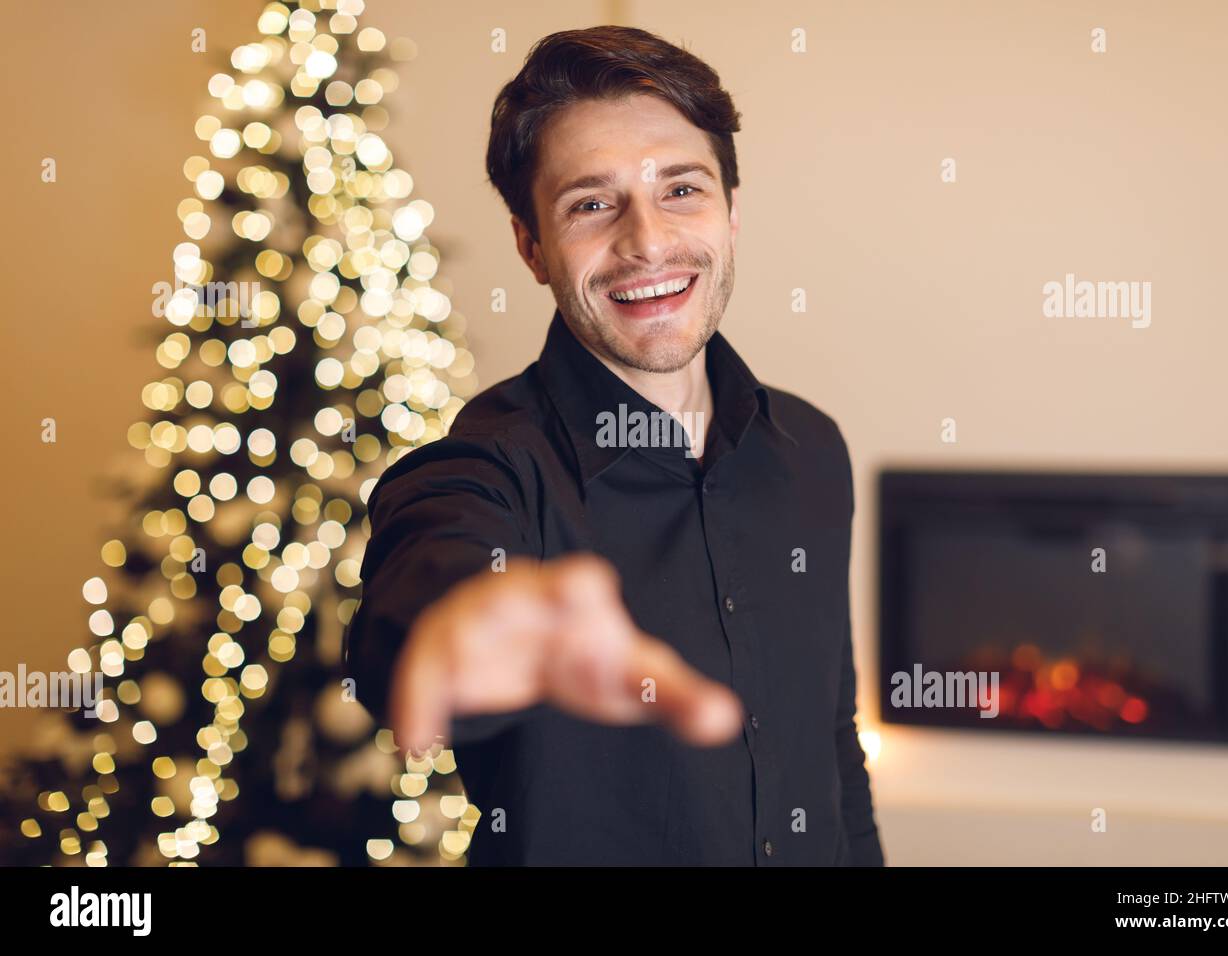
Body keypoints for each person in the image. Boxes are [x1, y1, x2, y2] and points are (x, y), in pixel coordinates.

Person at [344, 24, 885, 866]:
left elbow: (834, 747)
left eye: (681, 190)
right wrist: (452, 620)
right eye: (591, 204)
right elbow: (428, 562)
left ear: (731, 213)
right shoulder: (489, 465)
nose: (647, 242)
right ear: (531, 247)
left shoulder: (812, 447)